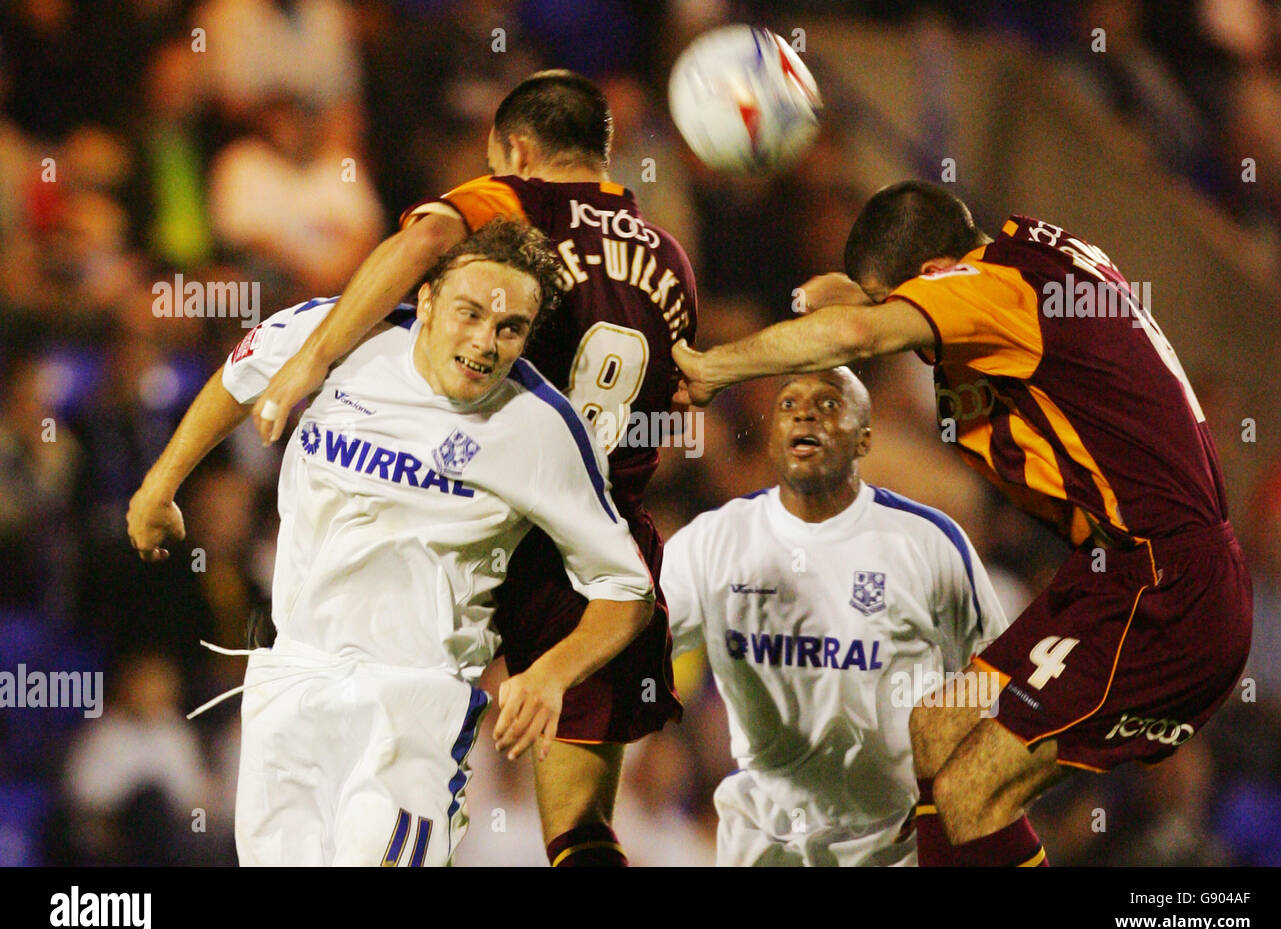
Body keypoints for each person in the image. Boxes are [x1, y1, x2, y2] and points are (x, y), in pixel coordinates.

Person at [673, 180, 1252, 867]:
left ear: (937, 274)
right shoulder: (1037, 258)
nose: (916, 345)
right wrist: (878, 299)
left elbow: (862, 331)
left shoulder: (997, 289)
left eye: (909, 313)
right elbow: (922, 313)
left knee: (973, 792)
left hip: (1165, 593)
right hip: (1123, 578)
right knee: (938, 727)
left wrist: (716, 365)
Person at [247, 70, 697, 866]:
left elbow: (422, 241)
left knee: (394, 762)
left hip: (475, 519)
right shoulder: (670, 258)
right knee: (580, 835)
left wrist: (314, 361)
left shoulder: (515, 206)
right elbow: (681, 390)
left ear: (515, 149)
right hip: (597, 554)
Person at [125, 219, 656, 865]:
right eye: (470, 313)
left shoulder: (540, 430)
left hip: (414, 710)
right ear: (427, 299)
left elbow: (627, 591)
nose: (486, 342)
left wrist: (550, 674)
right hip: (292, 679)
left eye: (510, 327)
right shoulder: (336, 337)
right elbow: (238, 380)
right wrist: (163, 483)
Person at [662, 368, 1006, 866]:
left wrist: (942, 779)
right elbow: (628, 633)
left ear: (864, 441)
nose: (804, 418)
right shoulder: (718, 540)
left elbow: (995, 684)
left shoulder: (932, 545)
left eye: (826, 408)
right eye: (788, 408)